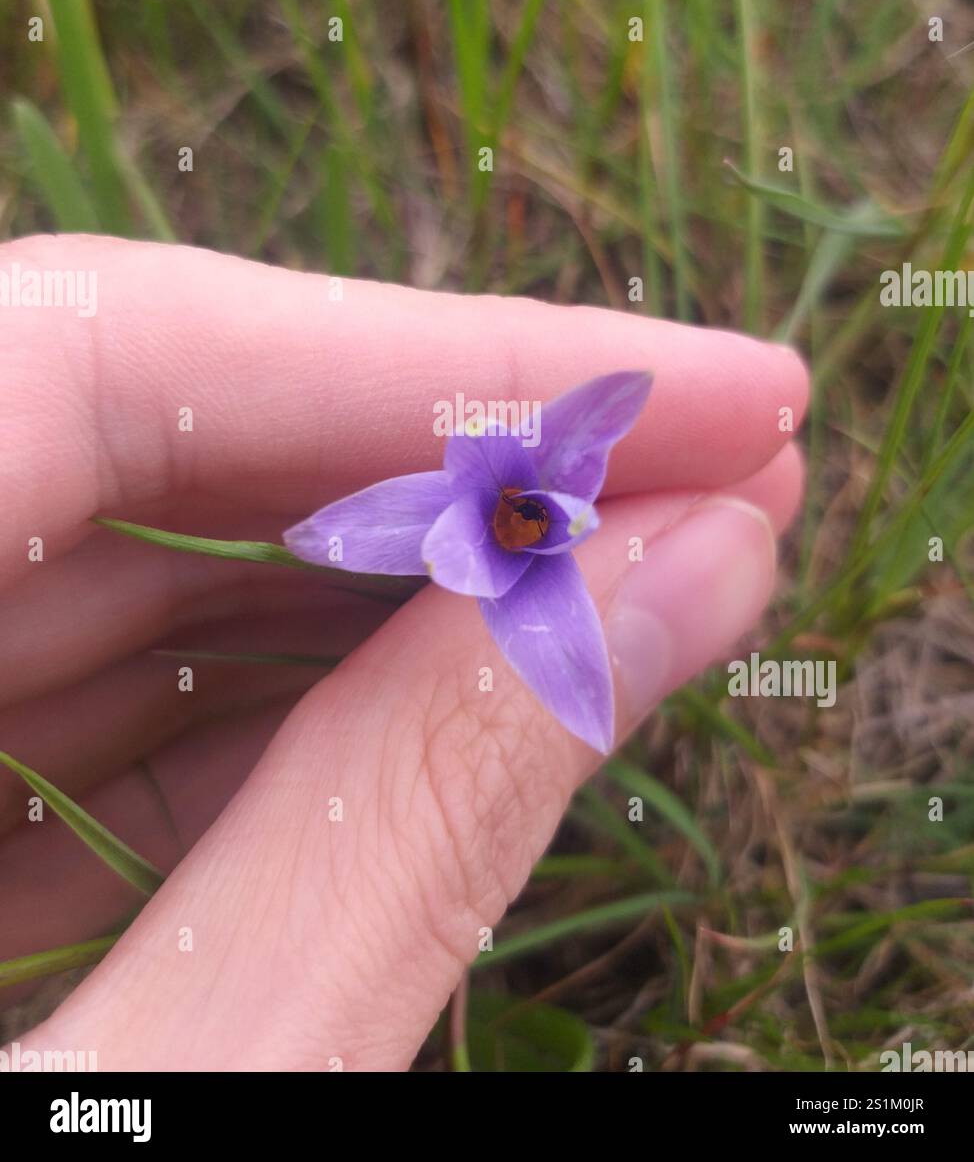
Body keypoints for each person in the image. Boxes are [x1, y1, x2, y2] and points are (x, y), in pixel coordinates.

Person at [0, 233, 808, 1070]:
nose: (524, 522)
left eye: (535, 518)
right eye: (517, 515)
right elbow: (361, 540)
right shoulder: (461, 517)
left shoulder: (553, 524)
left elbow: (607, 419)